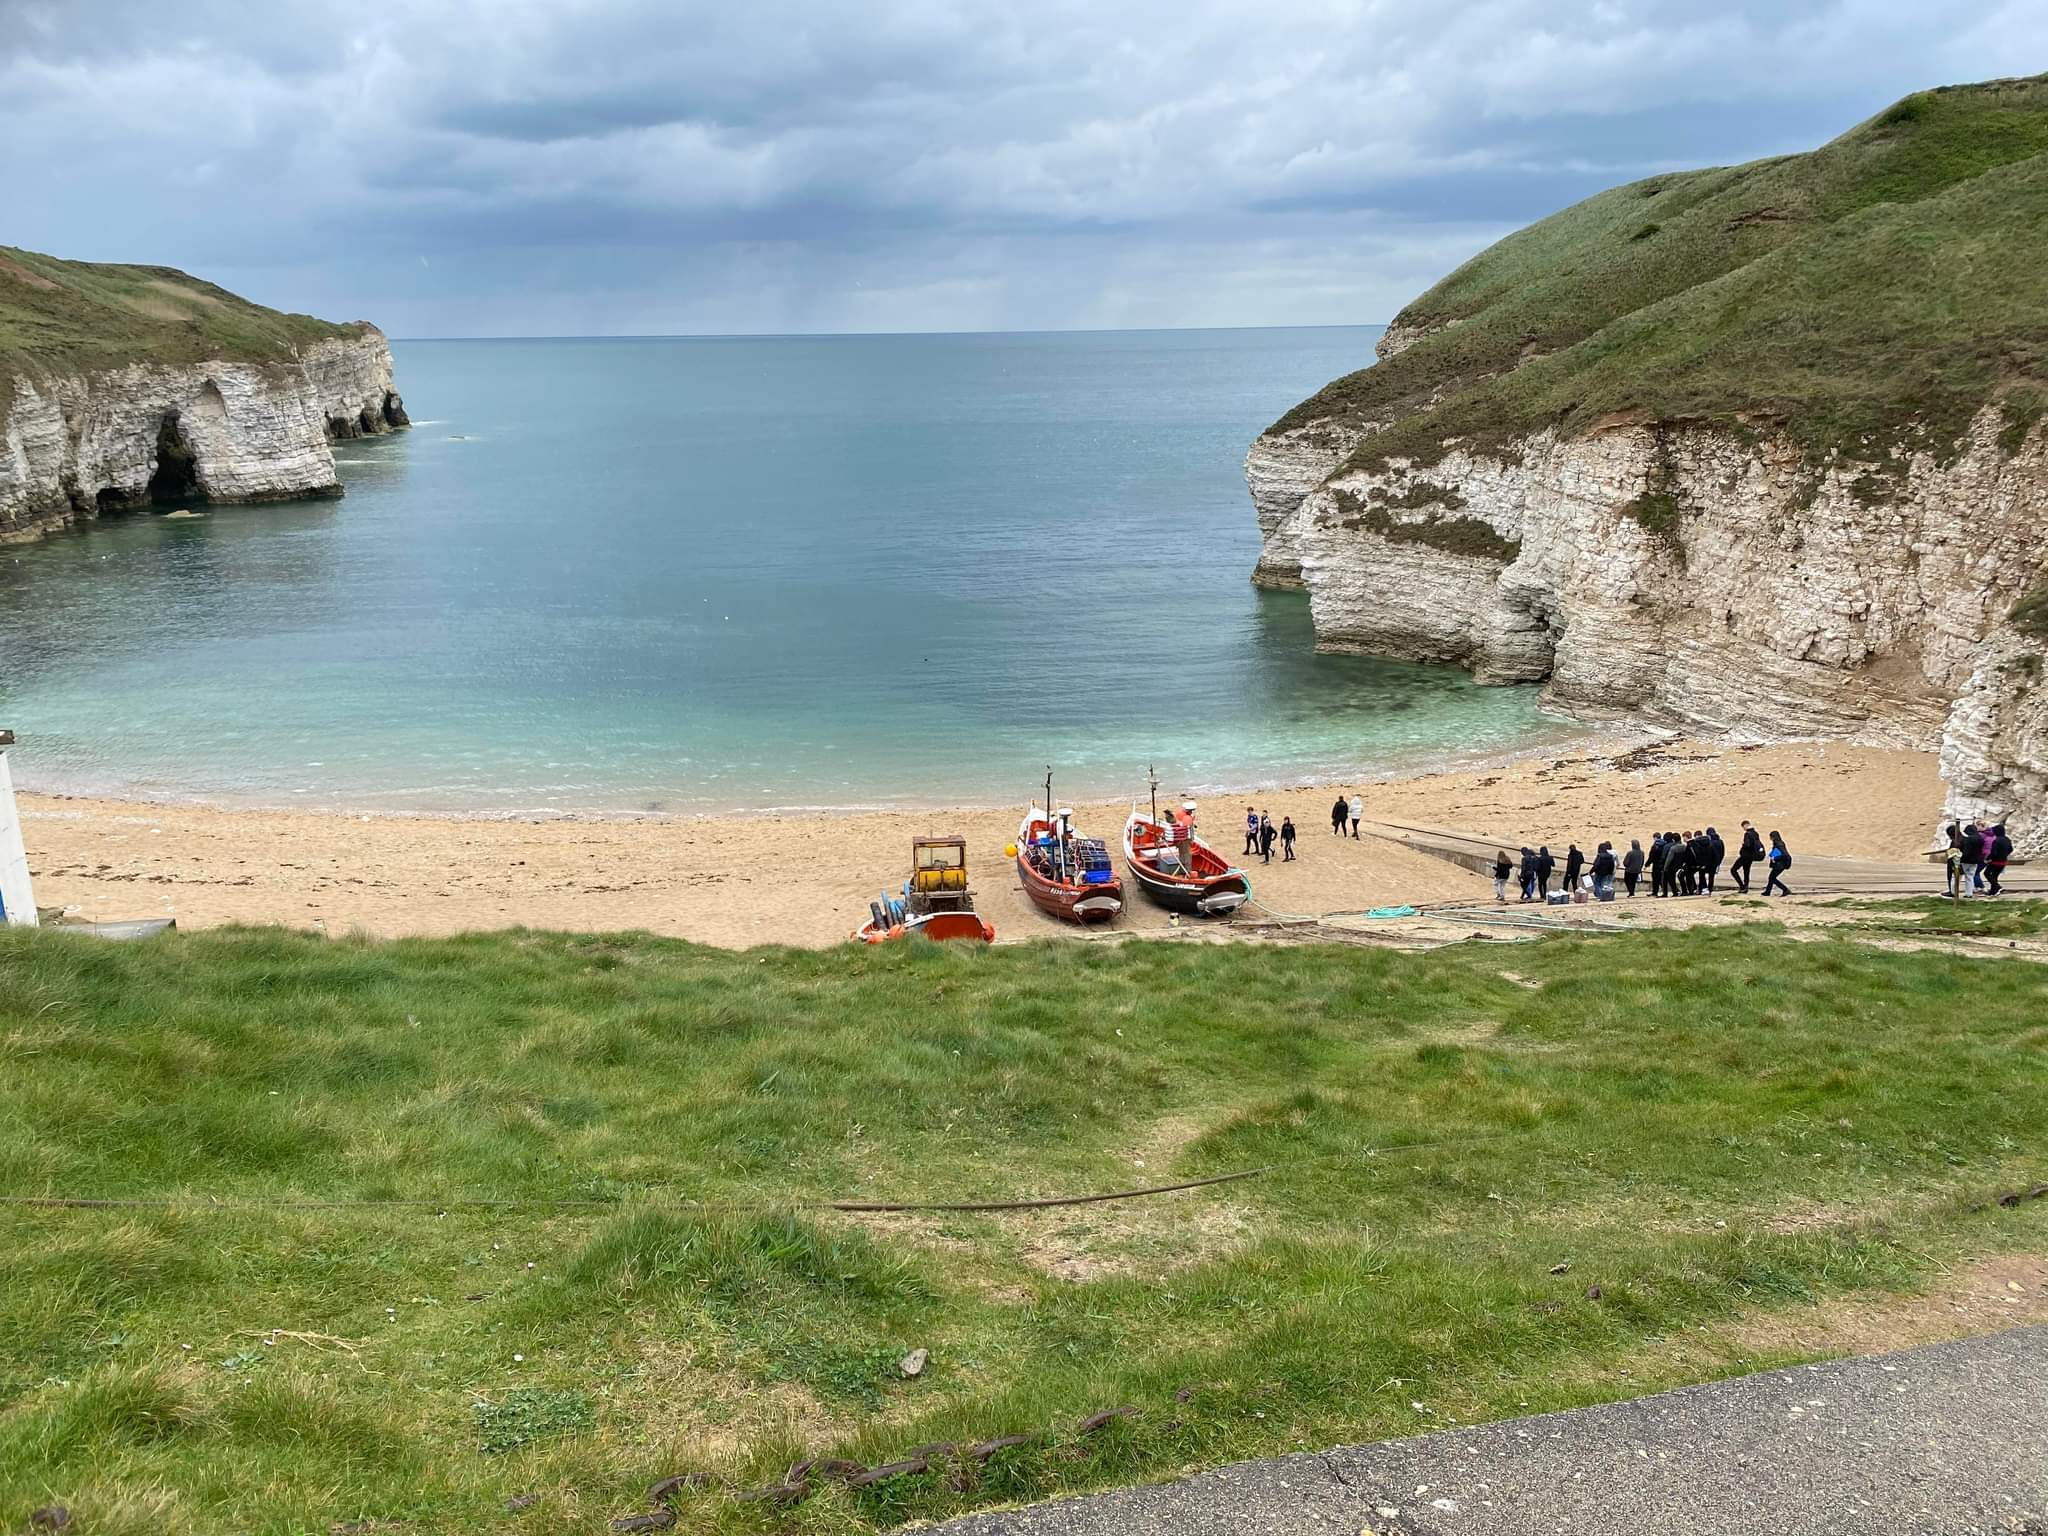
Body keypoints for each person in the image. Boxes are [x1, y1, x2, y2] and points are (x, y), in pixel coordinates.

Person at [1732, 821, 1764, 893]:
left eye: (1743, 827)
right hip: (1751, 856)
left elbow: (1747, 845)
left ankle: (1742, 886)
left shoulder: (1747, 834)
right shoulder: (1755, 833)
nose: (1743, 829)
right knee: (1746, 871)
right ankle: (1746, 887)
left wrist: (1743, 845)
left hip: (1745, 856)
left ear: (1745, 826)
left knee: (1733, 870)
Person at [1764, 830, 1792, 896]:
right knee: (1771, 878)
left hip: (1780, 865)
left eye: (1770, 837)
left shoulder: (1779, 844)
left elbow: (1784, 854)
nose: (1770, 838)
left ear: (1773, 837)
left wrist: (1775, 858)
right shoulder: (1779, 843)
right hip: (1779, 864)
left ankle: (1785, 889)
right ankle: (1767, 892)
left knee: (1772, 878)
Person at [1986, 823, 2011, 895]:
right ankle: (1993, 891)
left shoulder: (1996, 840)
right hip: (2003, 861)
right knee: (1994, 876)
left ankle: (1997, 887)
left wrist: (1988, 859)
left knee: (1987, 874)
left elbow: (1993, 852)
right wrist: (2005, 854)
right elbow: (2011, 849)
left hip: (1995, 862)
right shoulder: (2007, 839)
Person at [1959, 821, 1980, 897]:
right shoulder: (1980, 838)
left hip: (1966, 861)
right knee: (1970, 877)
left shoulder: (1968, 839)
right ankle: (1969, 893)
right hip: (1975, 861)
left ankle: (1953, 891)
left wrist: (1961, 859)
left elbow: (1966, 851)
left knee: (1957, 876)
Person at [1702, 826, 1725, 894]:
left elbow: (1708, 853)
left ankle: (1705, 888)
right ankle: (1710, 888)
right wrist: (1719, 861)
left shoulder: (1710, 842)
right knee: (1711, 876)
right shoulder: (1720, 841)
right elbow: (1722, 852)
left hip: (1710, 861)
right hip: (1716, 861)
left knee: (1702, 873)